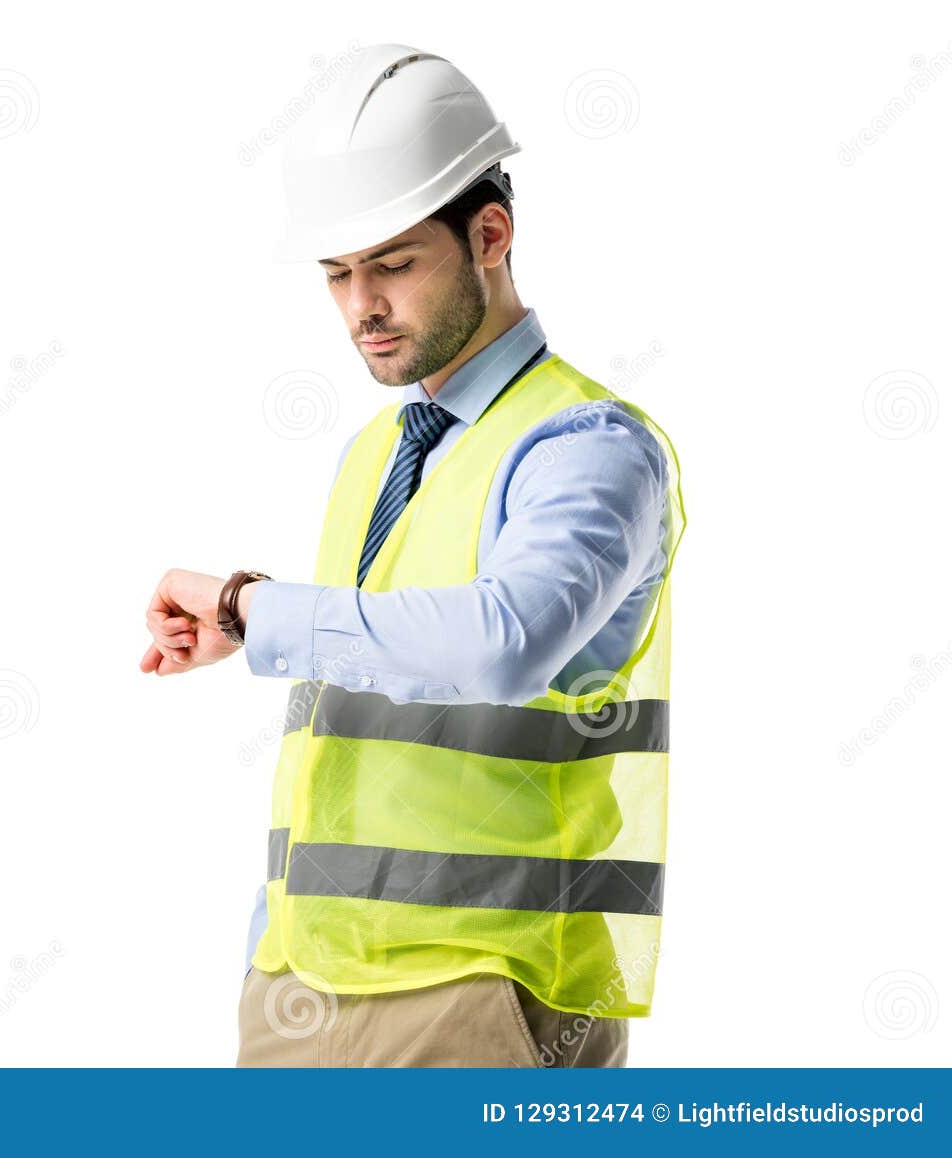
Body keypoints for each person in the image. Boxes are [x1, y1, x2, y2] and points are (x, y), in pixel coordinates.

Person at [138, 46, 686, 1068]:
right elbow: (385, 673)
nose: (360, 308)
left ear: (490, 235)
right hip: (305, 988)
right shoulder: (379, 454)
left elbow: (502, 644)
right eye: (337, 274)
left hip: (479, 997)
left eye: (392, 264)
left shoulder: (586, 445)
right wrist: (273, 958)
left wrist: (254, 605)